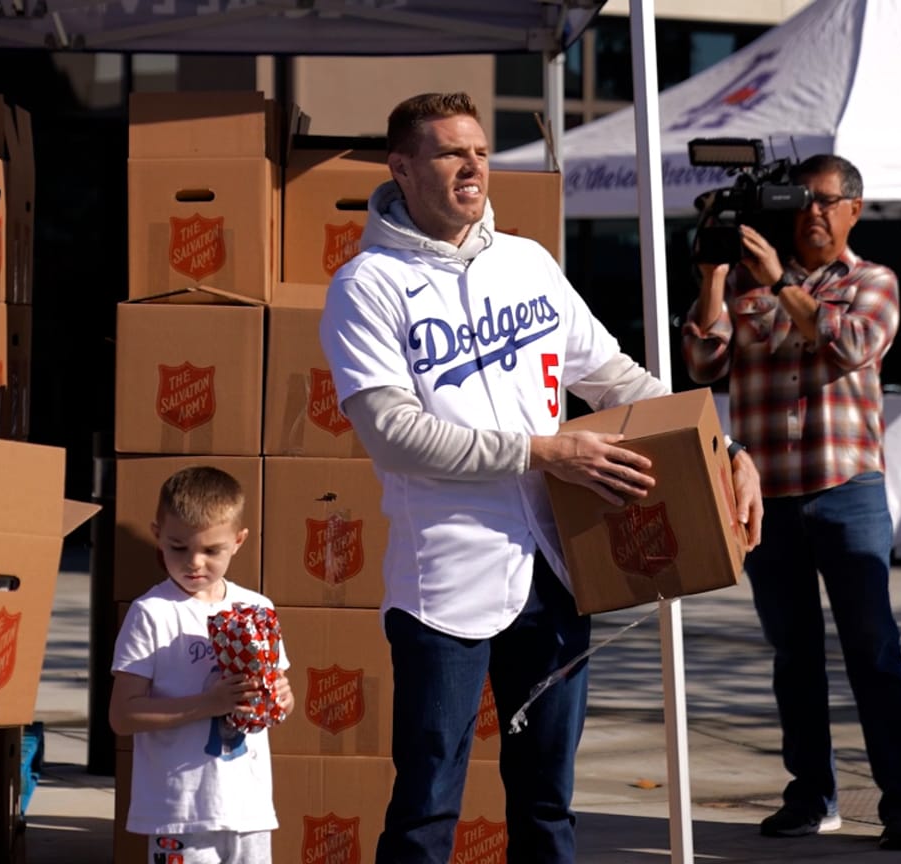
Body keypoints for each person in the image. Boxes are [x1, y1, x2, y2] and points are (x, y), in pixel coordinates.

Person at [317, 92, 763, 864]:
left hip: (558, 568)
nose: (473, 167)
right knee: (427, 805)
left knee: (548, 801)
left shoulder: (528, 263)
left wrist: (725, 449)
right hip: (444, 583)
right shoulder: (366, 284)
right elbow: (393, 436)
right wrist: (544, 453)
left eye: (482, 152)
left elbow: (617, 379)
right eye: (451, 153)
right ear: (401, 168)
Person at [682, 154, 901, 851]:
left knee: (873, 653)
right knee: (794, 656)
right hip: (770, 501)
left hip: (847, 489)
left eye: (827, 201)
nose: (813, 213)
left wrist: (780, 282)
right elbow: (703, 361)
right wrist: (713, 275)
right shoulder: (750, 288)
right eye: (803, 201)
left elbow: (847, 343)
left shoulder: (873, 281)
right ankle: (811, 796)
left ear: (855, 207)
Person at [109, 466, 296, 864]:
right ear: (157, 533)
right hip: (180, 810)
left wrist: (281, 697)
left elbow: (277, 701)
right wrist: (208, 703)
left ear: (239, 541)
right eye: (178, 547)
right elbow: (122, 715)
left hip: (249, 808)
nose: (195, 563)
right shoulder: (152, 613)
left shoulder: (258, 609)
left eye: (212, 551)